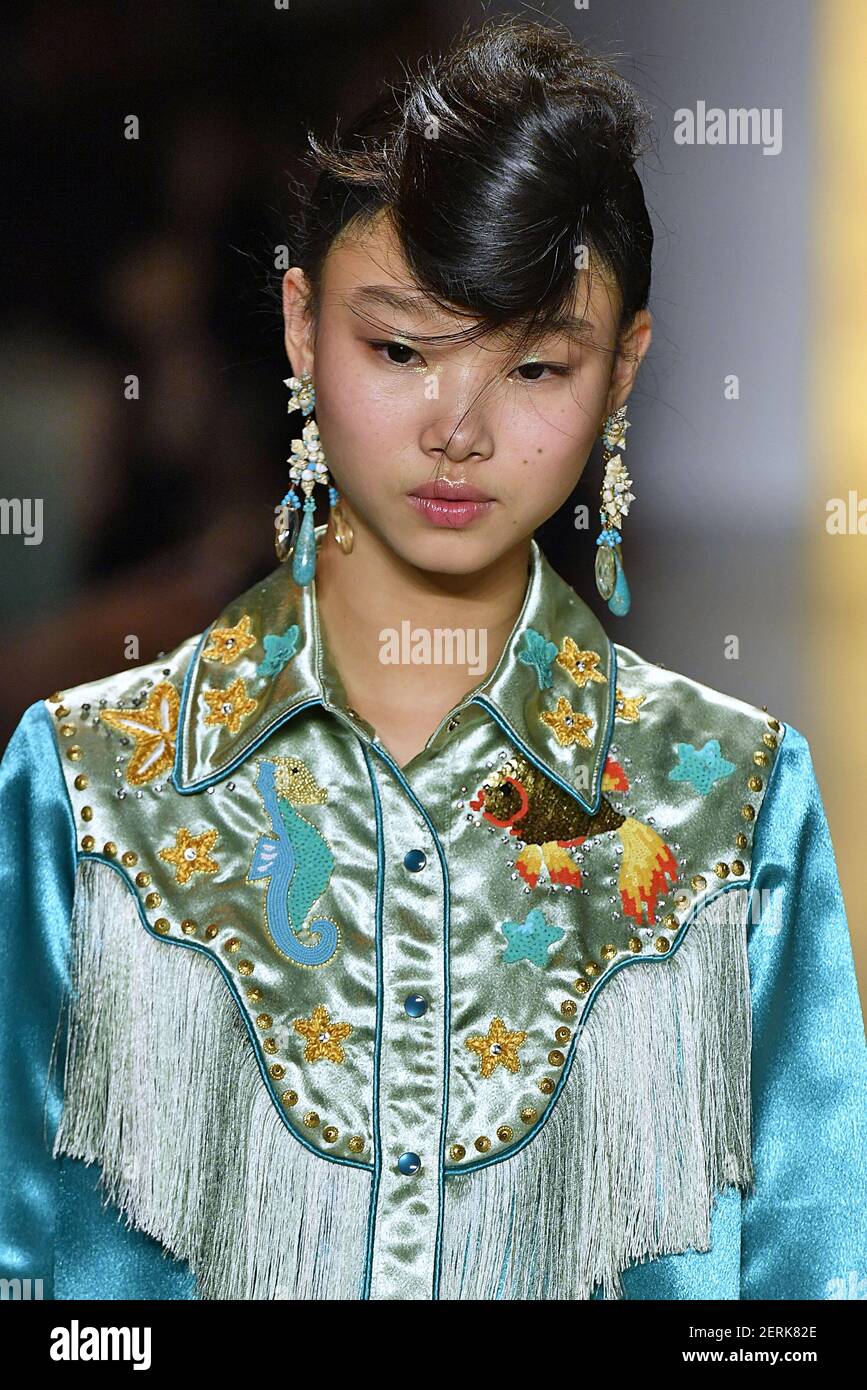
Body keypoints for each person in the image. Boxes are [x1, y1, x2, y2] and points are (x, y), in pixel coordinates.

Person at [1, 17, 865, 1302]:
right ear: (300, 324)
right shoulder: (89, 788)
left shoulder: (733, 807)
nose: (457, 432)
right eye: (399, 348)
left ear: (624, 364)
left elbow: (806, 1292)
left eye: (533, 365)